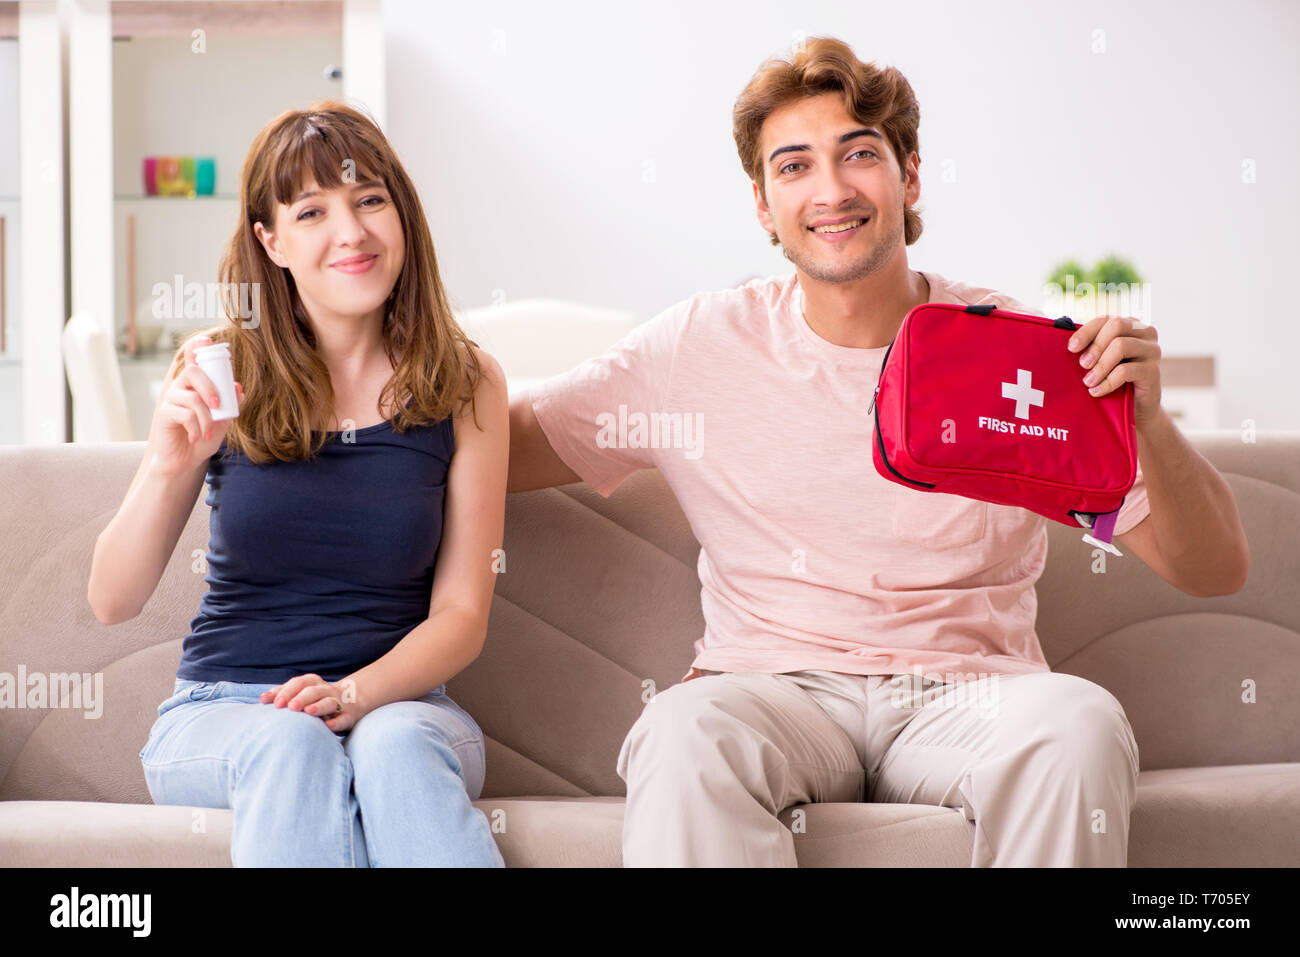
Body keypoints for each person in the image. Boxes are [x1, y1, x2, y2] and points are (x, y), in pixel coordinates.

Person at [505, 37, 1248, 866]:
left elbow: (1214, 567)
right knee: (680, 732)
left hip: (970, 695)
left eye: (859, 153)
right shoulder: (696, 347)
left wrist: (1147, 421)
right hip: (773, 690)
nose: (831, 189)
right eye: (794, 166)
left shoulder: (1016, 355)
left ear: (911, 177)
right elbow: (503, 443)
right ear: (762, 204)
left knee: (1078, 724)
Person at [88, 101, 509, 867]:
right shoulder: (222, 365)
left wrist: (354, 694)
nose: (351, 232)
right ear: (271, 241)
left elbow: (461, 615)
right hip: (224, 710)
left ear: (402, 216)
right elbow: (111, 599)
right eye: (312, 211)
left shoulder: (465, 381)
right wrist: (167, 462)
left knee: (393, 747)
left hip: (401, 706)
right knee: (291, 739)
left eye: (370, 200)